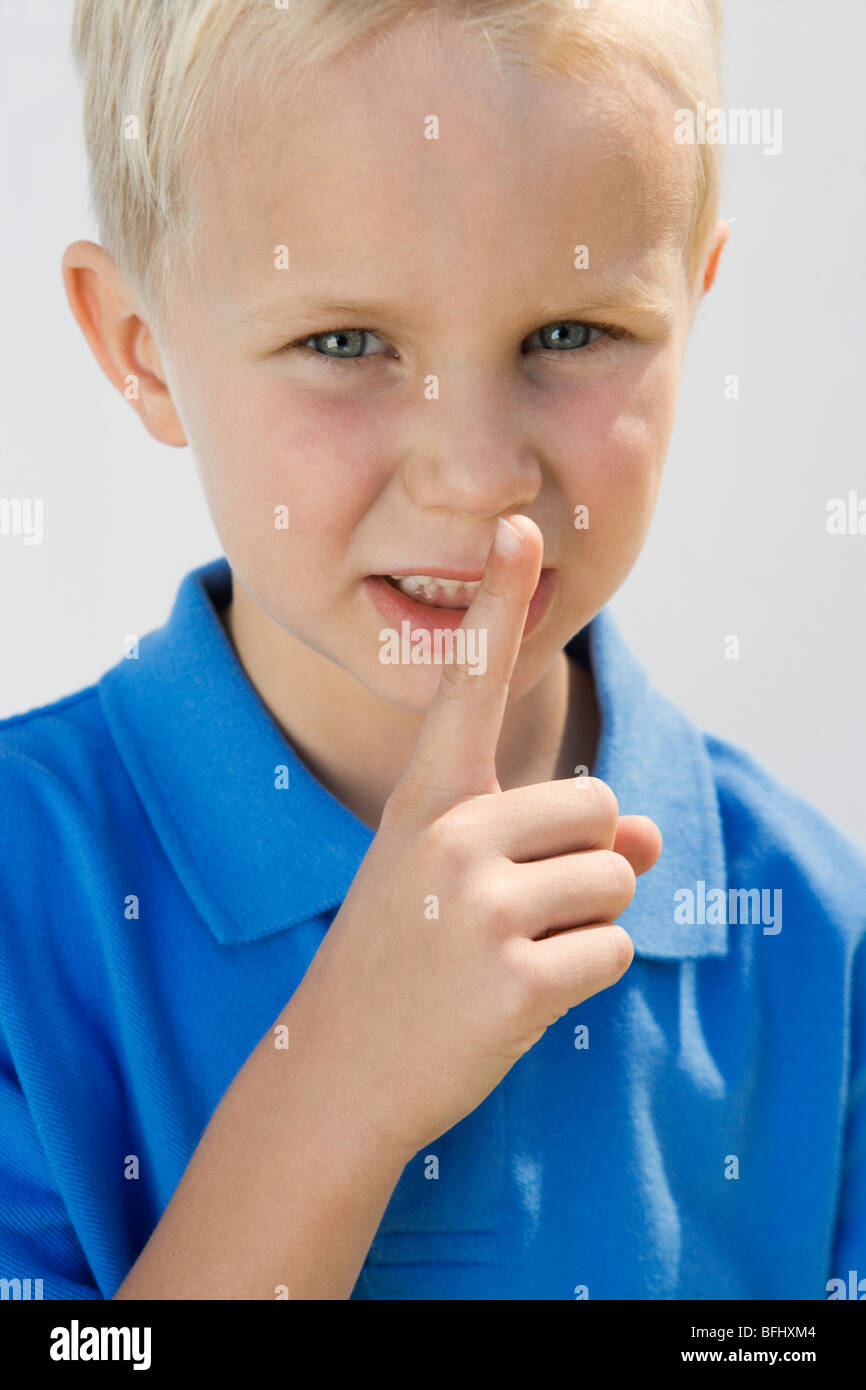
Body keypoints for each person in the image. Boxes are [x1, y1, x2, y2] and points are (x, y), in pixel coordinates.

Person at [0, 0, 863, 1300]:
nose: (476, 477)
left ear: (692, 304)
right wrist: (338, 1084)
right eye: (345, 343)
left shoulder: (813, 936)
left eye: (569, 335)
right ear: (141, 350)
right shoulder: (28, 895)